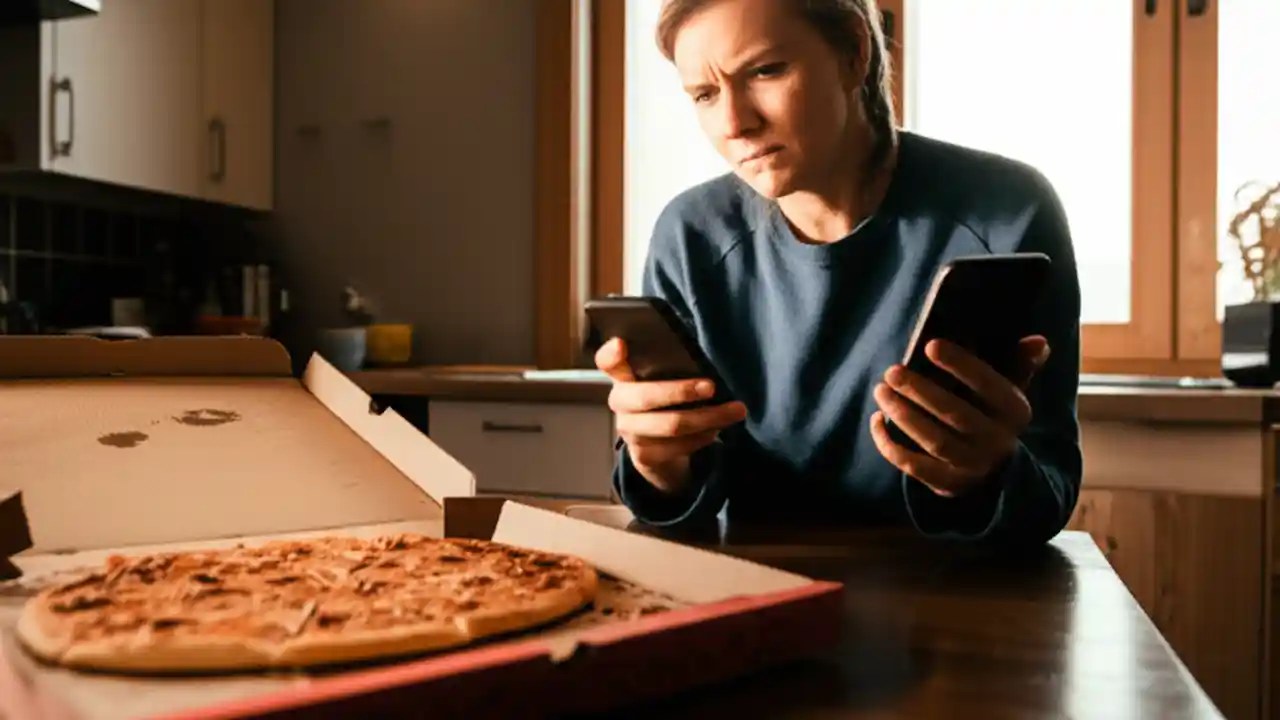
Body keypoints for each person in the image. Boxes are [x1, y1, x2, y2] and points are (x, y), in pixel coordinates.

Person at [595, 0, 1082, 545]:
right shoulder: (690, 235)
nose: (735, 124)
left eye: (765, 71)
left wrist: (985, 474)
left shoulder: (1008, 212)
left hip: (963, 598)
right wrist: (658, 465)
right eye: (705, 95)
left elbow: (1050, 488)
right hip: (759, 593)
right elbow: (680, 500)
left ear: (854, 52)